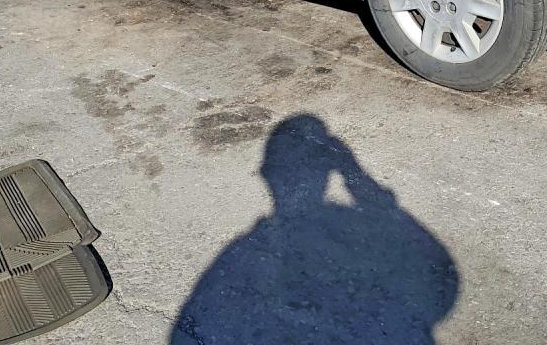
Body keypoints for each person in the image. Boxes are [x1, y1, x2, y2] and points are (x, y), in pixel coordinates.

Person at [171, 114, 459, 344]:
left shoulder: (245, 252)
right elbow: (436, 277)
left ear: (266, 174)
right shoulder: (254, 251)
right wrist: (355, 176)